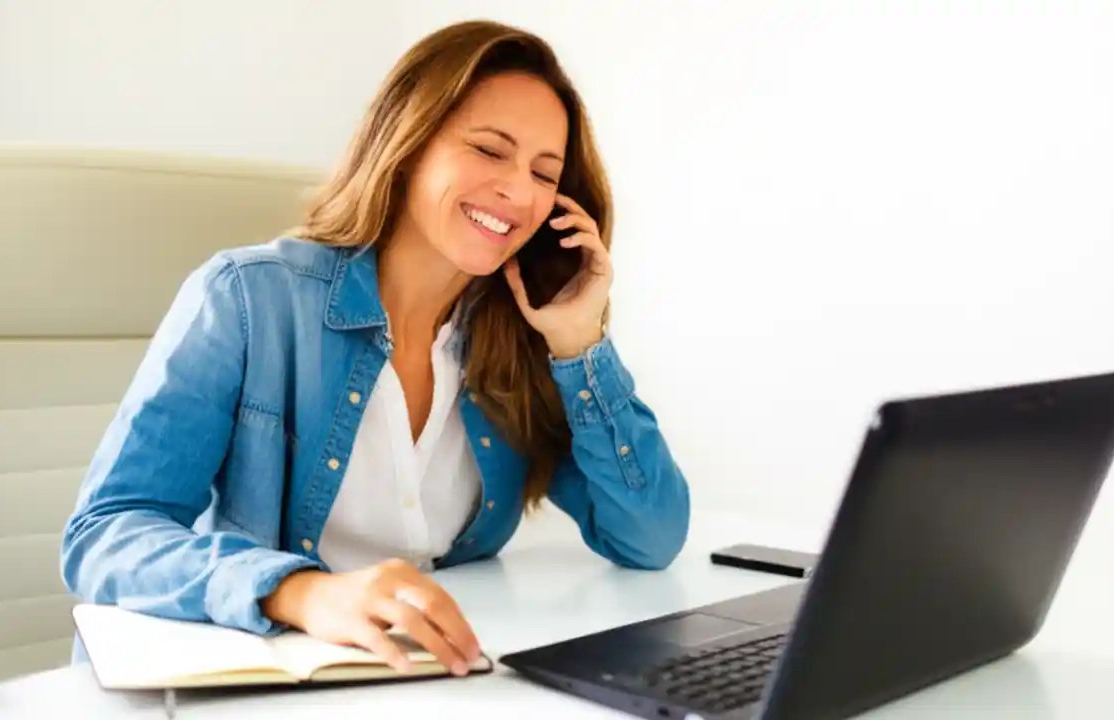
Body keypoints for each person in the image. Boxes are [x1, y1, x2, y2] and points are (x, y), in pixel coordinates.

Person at [59, 20, 690, 677]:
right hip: (263, 682)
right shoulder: (248, 300)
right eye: (489, 150)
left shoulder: (519, 340)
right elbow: (106, 534)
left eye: (544, 172)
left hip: (433, 680)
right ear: (411, 142)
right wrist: (301, 591)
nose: (519, 192)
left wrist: (578, 342)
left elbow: (650, 538)